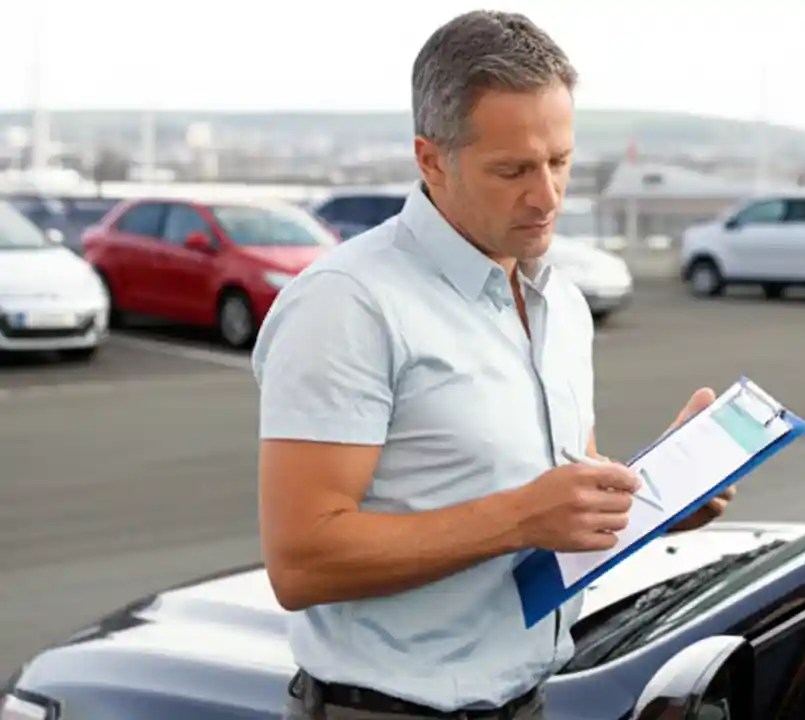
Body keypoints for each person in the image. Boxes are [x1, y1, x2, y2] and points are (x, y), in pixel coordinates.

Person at [252, 10, 736, 720]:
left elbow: (559, 518)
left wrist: (662, 501)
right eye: (512, 170)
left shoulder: (561, 302)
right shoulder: (348, 304)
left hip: (528, 703)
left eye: (561, 162)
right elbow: (302, 562)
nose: (546, 196)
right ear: (430, 159)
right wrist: (518, 518)